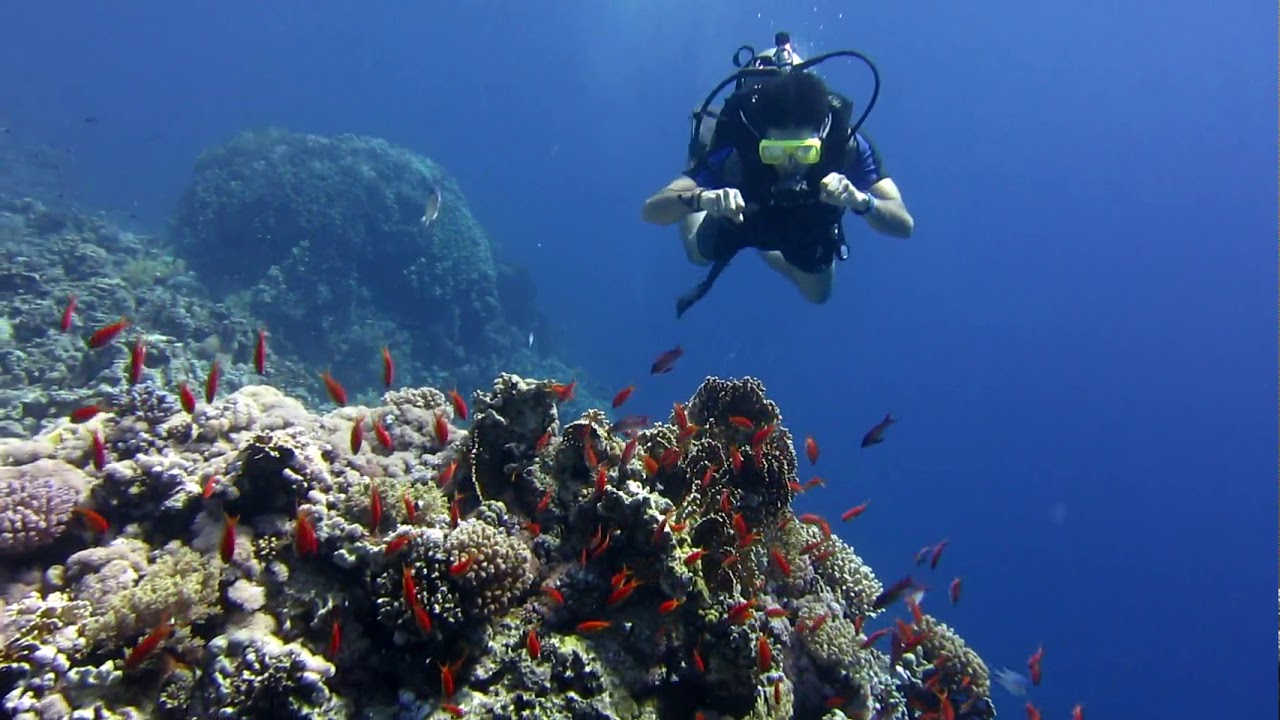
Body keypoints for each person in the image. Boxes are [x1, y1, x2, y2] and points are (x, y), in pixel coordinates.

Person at [641, 34, 915, 317]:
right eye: (774, 152)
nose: (790, 164)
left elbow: (904, 223)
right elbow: (651, 209)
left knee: (818, 294)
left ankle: (768, 248)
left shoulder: (843, 145)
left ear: (820, 138)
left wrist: (862, 201)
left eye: (805, 152)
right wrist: (702, 199)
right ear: (760, 138)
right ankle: (699, 159)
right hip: (739, 211)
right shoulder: (738, 146)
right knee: (697, 254)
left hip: (807, 223)